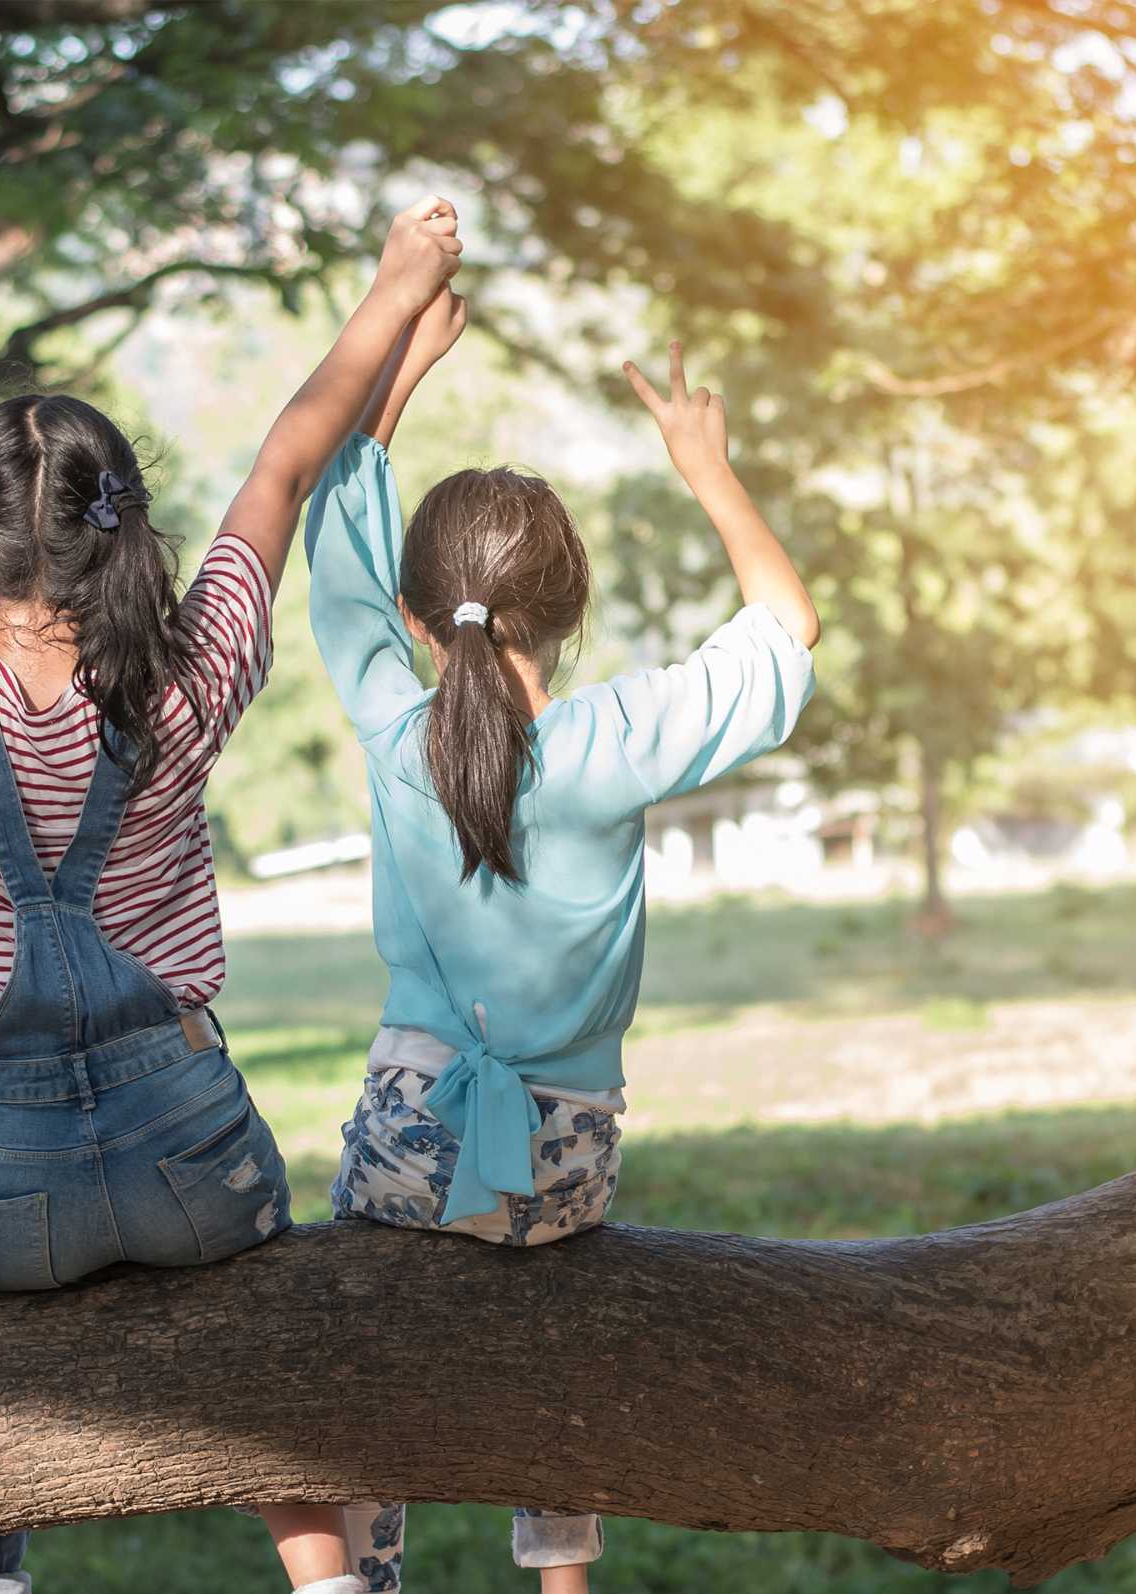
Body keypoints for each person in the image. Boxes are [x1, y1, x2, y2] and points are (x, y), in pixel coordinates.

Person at [0, 152, 466, 1594]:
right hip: (190, 1158)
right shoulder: (188, 675)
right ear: (118, 525)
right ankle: (329, 1582)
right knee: (267, 1361)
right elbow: (286, 460)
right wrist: (394, 288)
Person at [304, 301, 820, 1594]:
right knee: (555, 1332)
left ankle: (360, 1579)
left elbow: (335, 559)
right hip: (567, 1162)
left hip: (412, 1140)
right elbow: (787, 629)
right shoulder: (617, 740)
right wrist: (705, 466)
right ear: (569, 611)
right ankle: (562, 1578)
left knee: (354, 1364)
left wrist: (397, 378)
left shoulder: (394, 727)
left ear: (421, 621)